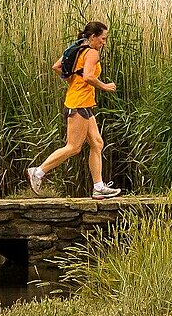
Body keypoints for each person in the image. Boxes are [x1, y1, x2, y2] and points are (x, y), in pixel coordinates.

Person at [27, 21, 122, 198]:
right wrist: (105, 86)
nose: (104, 43)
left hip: (81, 102)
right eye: (102, 39)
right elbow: (88, 76)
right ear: (93, 37)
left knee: (97, 143)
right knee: (73, 147)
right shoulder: (92, 53)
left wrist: (73, 81)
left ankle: (98, 186)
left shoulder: (77, 49)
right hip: (78, 104)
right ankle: (38, 172)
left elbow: (57, 67)